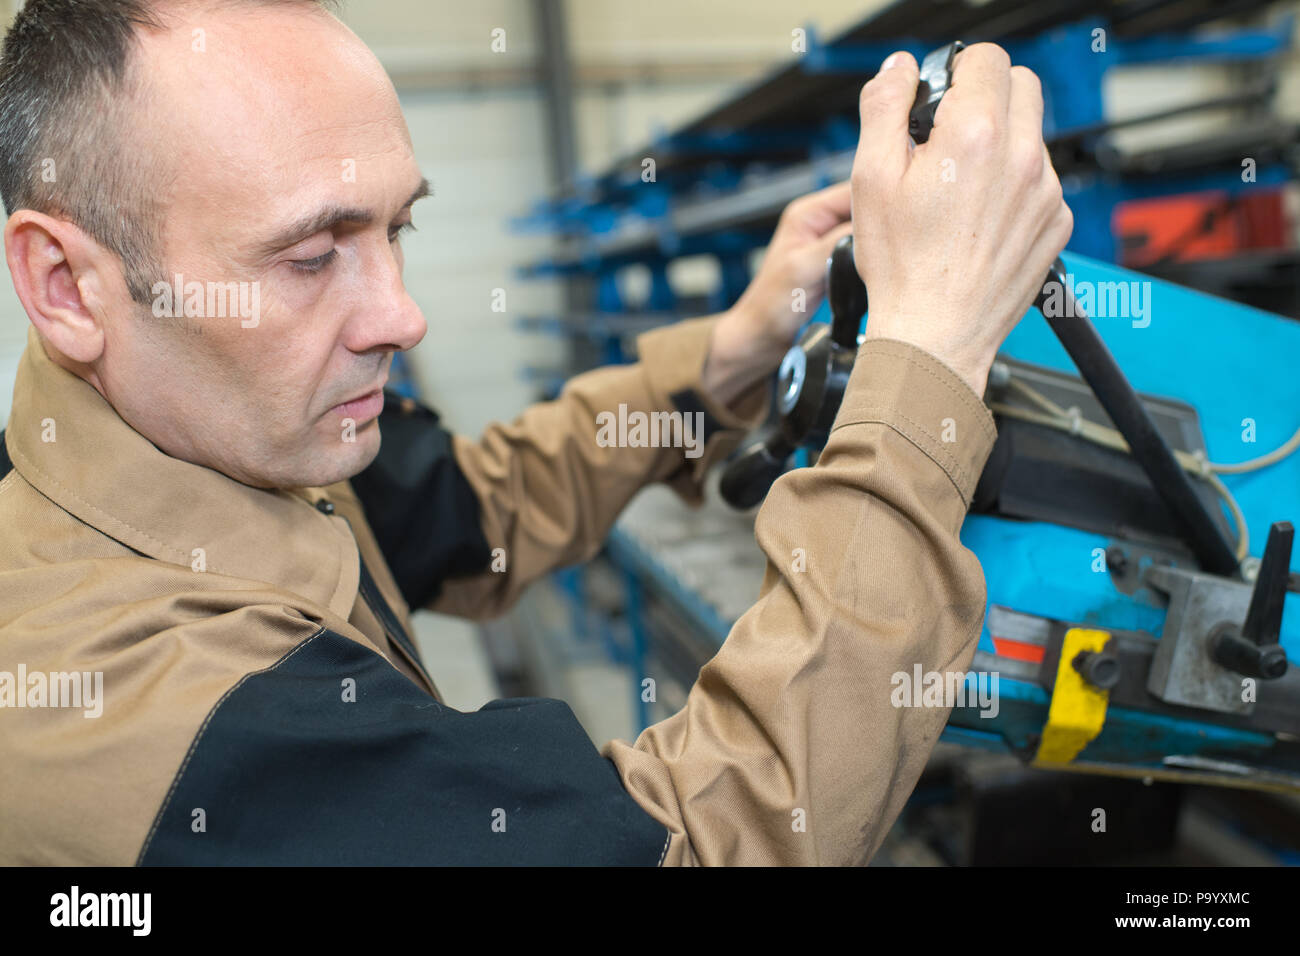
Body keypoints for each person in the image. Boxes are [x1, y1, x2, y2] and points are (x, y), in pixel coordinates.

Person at [0, 0, 1071, 865]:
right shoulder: (159, 724)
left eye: (397, 226)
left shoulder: (217, 435)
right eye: (312, 255)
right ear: (67, 286)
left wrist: (726, 356)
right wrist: (927, 356)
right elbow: (700, 845)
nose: (400, 316)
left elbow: (474, 510)